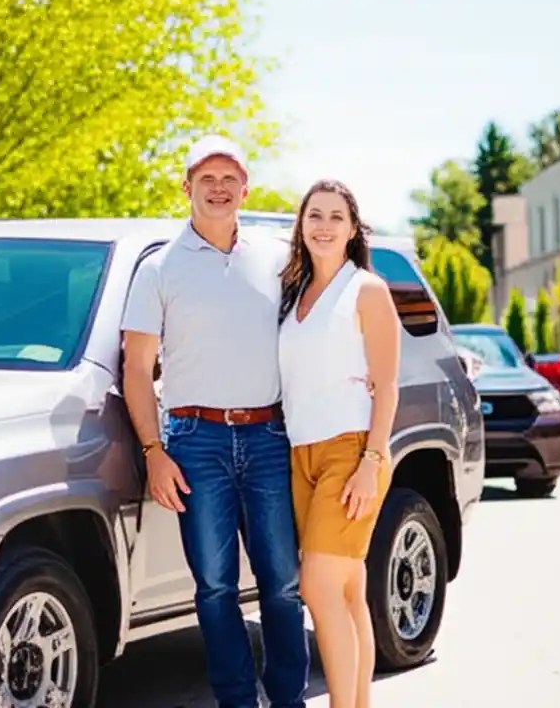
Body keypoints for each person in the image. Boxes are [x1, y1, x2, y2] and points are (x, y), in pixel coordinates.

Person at [121, 135, 309, 708]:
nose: (220, 188)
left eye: (230, 179)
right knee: (216, 586)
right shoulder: (159, 268)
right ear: (187, 188)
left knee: (282, 584)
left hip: (268, 437)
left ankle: (288, 699)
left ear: (245, 188)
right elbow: (136, 368)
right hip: (195, 443)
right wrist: (154, 451)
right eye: (208, 179)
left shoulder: (277, 259)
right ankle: (235, 701)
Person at [277, 179, 399, 708]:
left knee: (318, 590)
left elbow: (389, 383)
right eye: (313, 216)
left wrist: (370, 462)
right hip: (299, 452)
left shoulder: (366, 289)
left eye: (335, 217)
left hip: (350, 452)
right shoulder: (295, 294)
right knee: (347, 591)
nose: (323, 226)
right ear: (301, 228)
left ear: (353, 230)